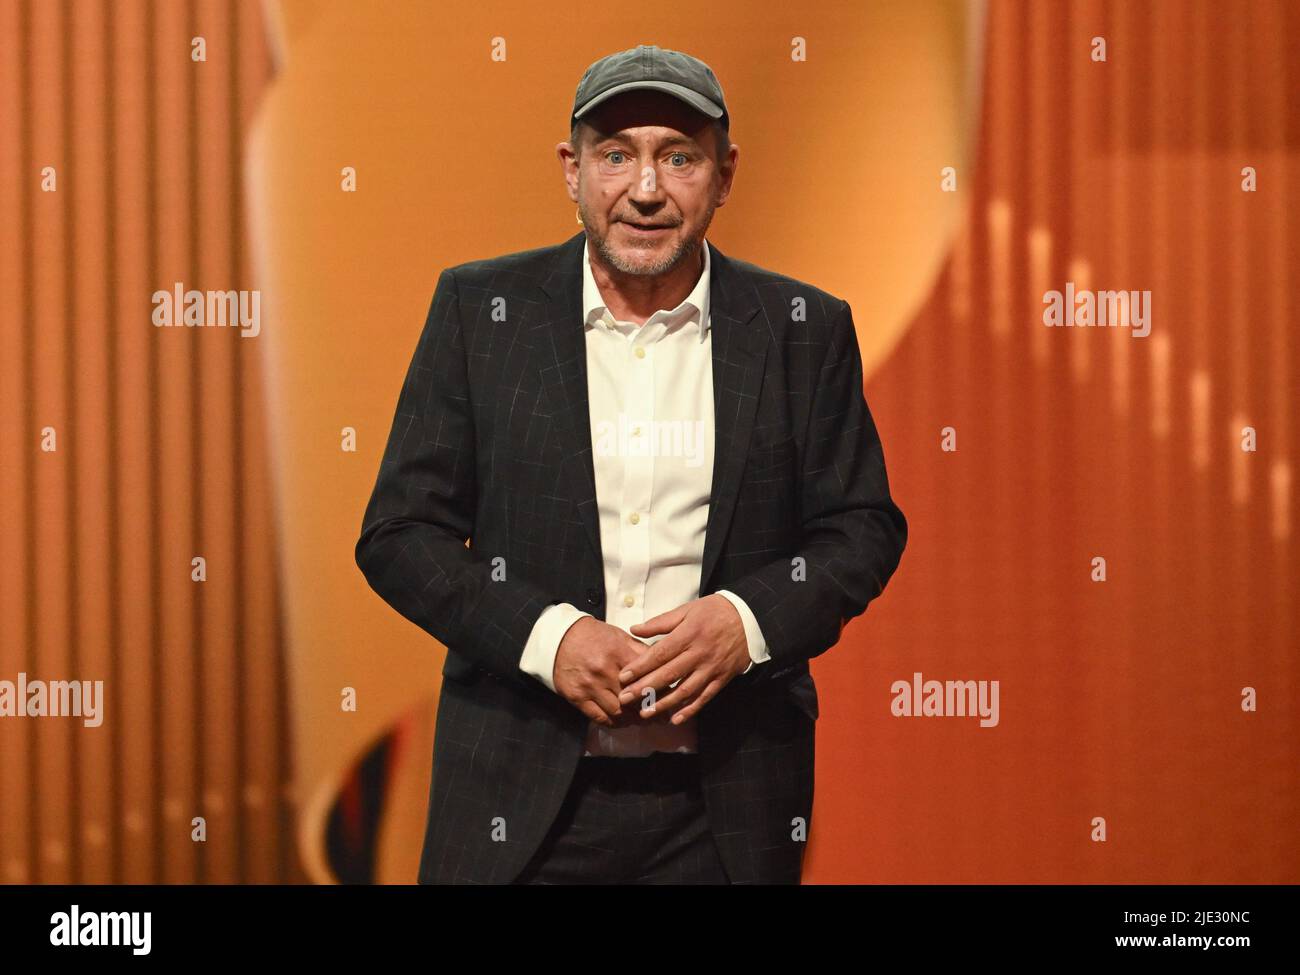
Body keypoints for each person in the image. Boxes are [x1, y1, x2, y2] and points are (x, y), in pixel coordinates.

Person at [354, 44, 907, 884]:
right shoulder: (480, 311)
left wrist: (745, 624)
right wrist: (551, 636)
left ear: (725, 175)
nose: (645, 190)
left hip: (725, 808)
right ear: (571, 170)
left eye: (678, 157)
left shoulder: (804, 326)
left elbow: (862, 529)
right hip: (519, 792)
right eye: (617, 154)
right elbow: (401, 532)